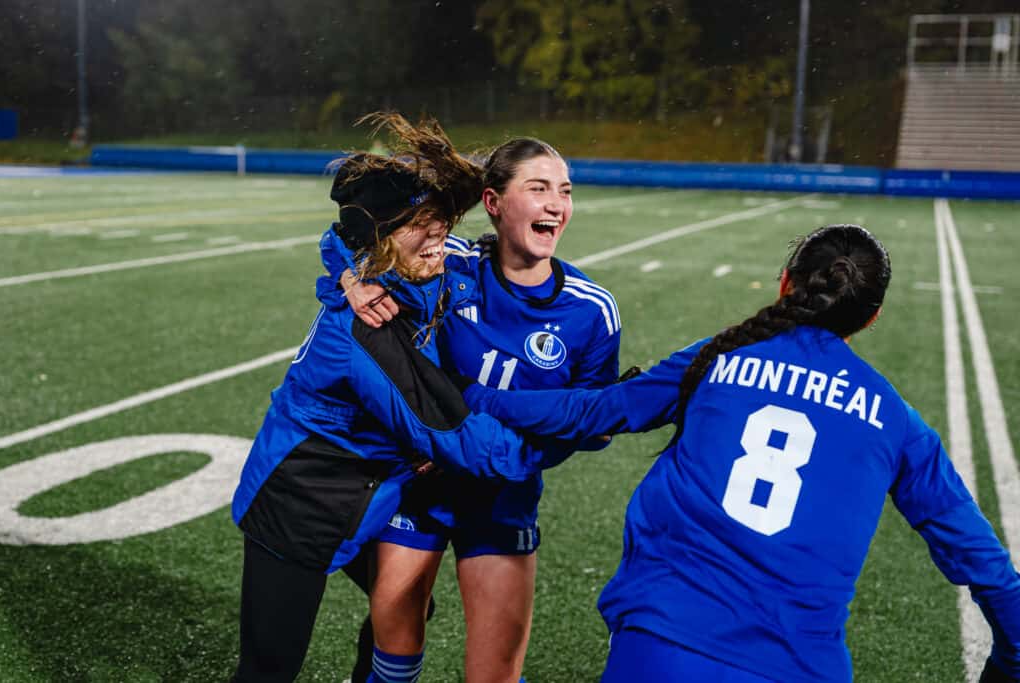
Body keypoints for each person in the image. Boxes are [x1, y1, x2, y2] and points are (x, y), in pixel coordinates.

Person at [461, 224, 1020, 682]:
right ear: (870, 316)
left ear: (785, 284)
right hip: (803, 667)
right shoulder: (898, 421)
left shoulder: (716, 358)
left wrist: (472, 396)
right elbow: (989, 568)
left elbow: (589, 412)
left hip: (661, 647)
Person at [229, 116, 579, 683]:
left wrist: (345, 272)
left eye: (439, 218)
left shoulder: (424, 268)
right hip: (301, 494)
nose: (437, 232)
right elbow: (451, 433)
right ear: (381, 239)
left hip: (371, 487)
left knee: (405, 607)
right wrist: (567, 433)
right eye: (417, 224)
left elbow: (338, 234)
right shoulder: (366, 327)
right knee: (270, 665)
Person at [339, 135, 621, 682]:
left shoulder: (592, 311)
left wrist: (501, 444)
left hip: (502, 497)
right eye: (537, 188)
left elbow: (593, 427)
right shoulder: (449, 262)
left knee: (493, 675)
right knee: (391, 661)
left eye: (564, 191)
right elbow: (353, 241)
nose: (556, 204)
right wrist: (351, 282)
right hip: (420, 487)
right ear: (494, 204)